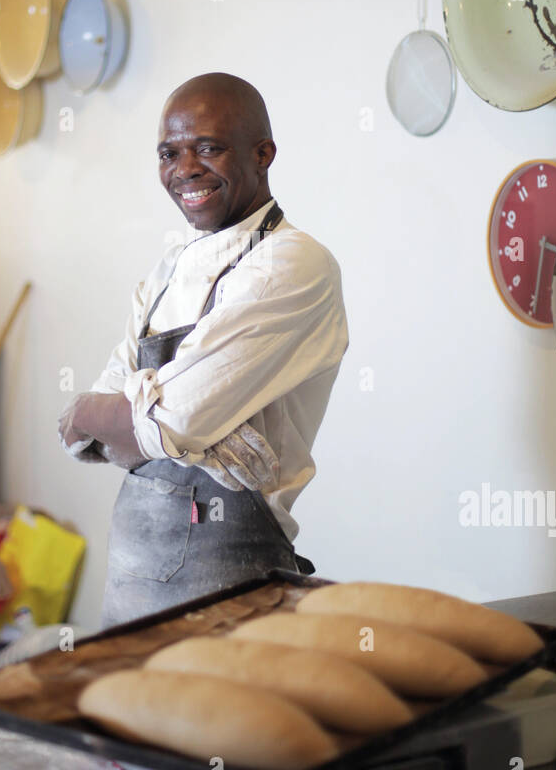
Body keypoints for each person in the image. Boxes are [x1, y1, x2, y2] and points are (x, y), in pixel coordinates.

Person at [59, 72, 348, 627]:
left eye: (208, 148)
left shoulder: (293, 264)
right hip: (132, 576)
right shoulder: (167, 272)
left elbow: (172, 422)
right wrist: (125, 417)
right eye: (170, 153)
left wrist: (134, 418)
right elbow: (89, 433)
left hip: (231, 582)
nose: (185, 169)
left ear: (263, 154)